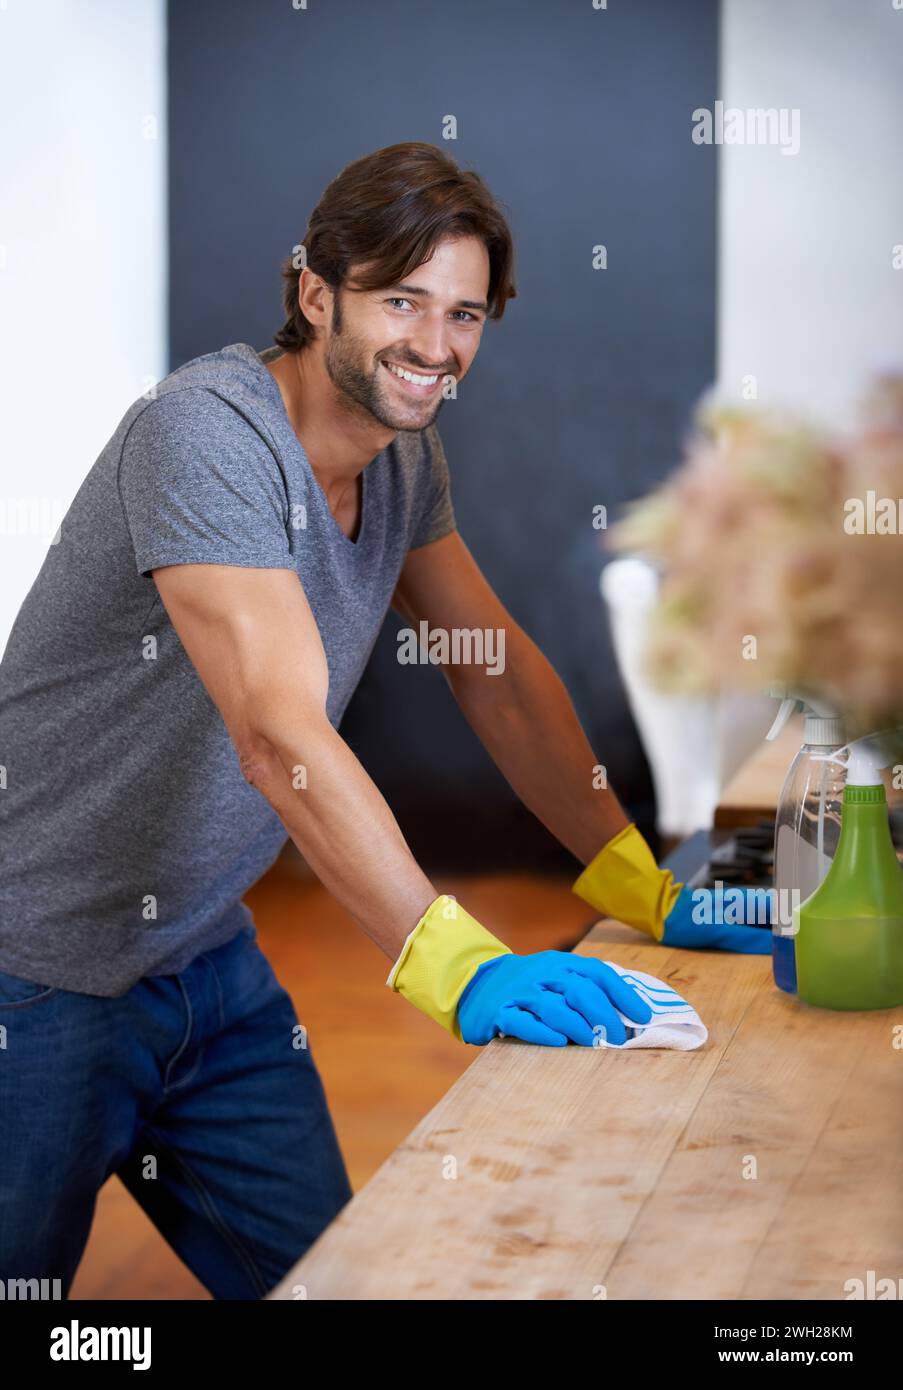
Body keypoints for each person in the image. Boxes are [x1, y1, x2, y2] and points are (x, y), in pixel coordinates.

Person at [0, 142, 768, 1301]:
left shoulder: (405, 458)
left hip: (204, 959)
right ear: (317, 294)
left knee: (332, 1282)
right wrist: (452, 960)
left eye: (464, 313)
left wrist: (633, 876)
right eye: (401, 299)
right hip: (35, 973)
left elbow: (493, 669)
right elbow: (278, 732)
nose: (435, 344)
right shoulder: (205, 434)